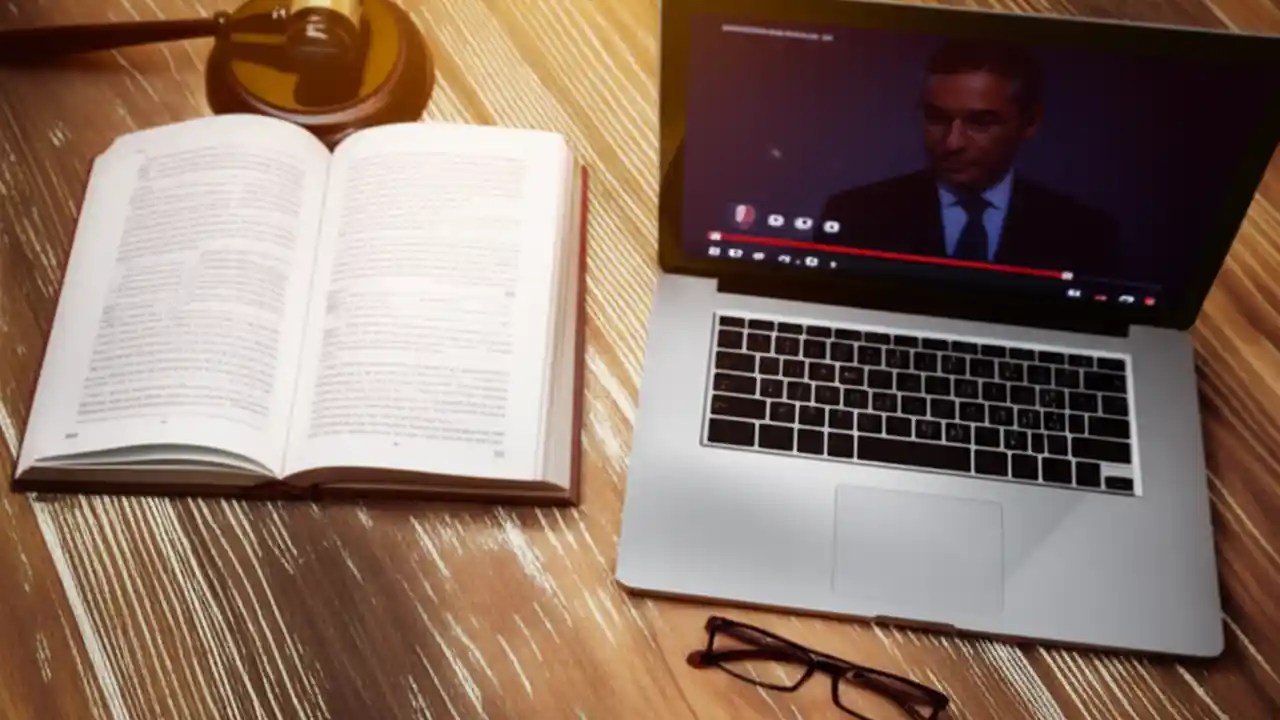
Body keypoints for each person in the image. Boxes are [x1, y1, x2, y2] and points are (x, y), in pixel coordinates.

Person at [815, 40, 1119, 275]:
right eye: (936, 118)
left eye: (980, 122)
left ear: (1030, 122)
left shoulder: (1086, 233)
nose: (952, 142)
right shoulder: (854, 214)